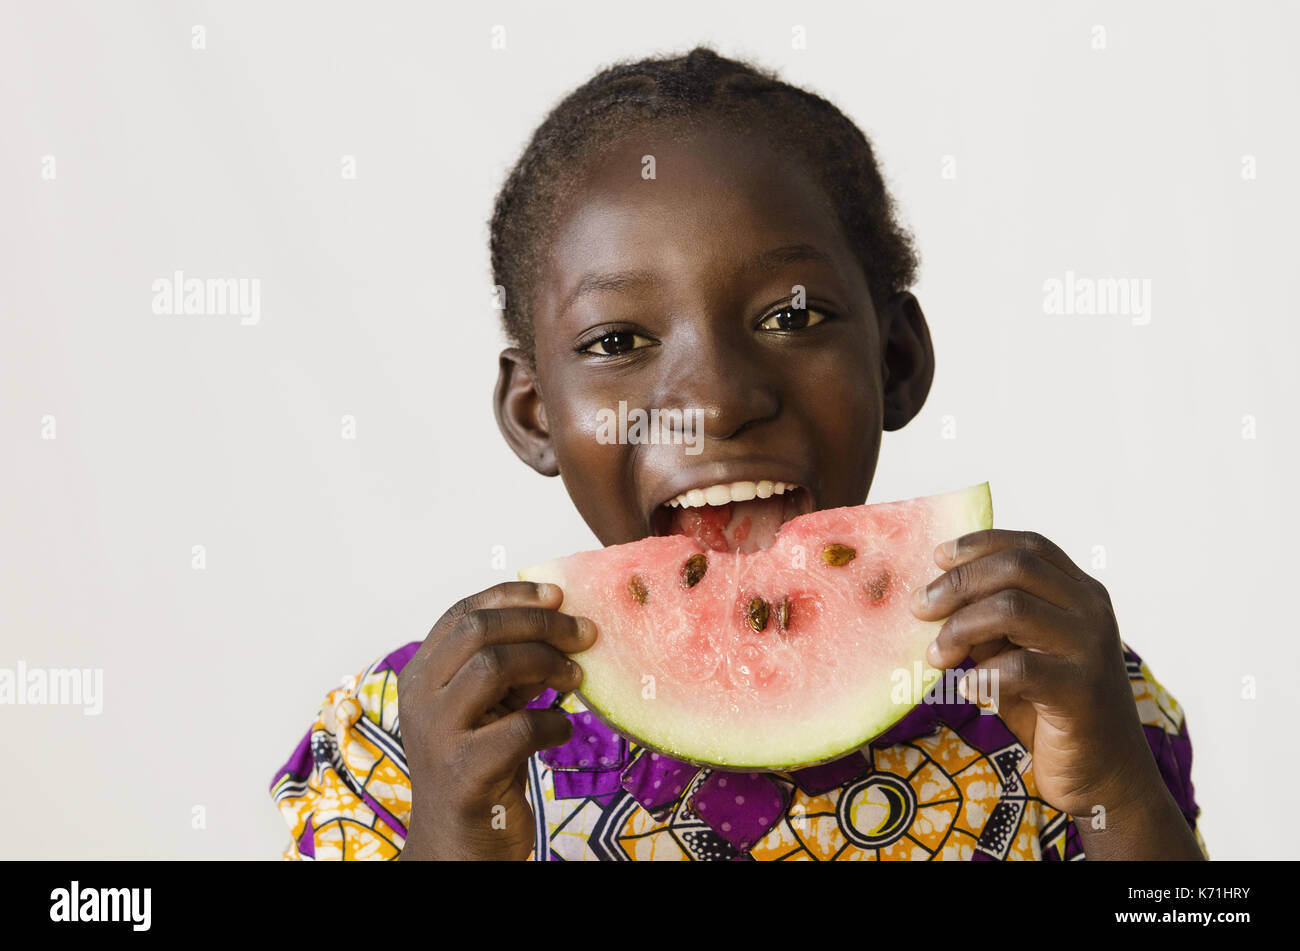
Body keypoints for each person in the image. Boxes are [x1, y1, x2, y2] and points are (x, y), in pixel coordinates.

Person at [269, 47, 1206, 861]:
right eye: (617, 342)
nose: (713, 401)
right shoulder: (404, 740)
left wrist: (1114, 792)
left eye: (792, 316)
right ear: (533, 412)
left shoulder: (1063, 688)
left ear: (897, 360)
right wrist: (446, 842)